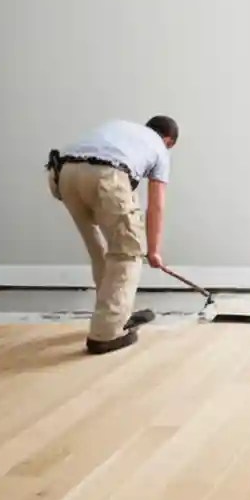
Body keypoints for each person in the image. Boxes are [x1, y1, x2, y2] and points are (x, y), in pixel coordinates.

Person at [45, 116, 178, 354]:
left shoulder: (122, 128)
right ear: (168, 139)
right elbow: (156, 205)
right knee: (127, 253)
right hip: (107, 175)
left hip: (64, 173)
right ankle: (107, 333)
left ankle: (112, 314)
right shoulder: (160, 147)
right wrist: (153, 250)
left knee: (101, 252)